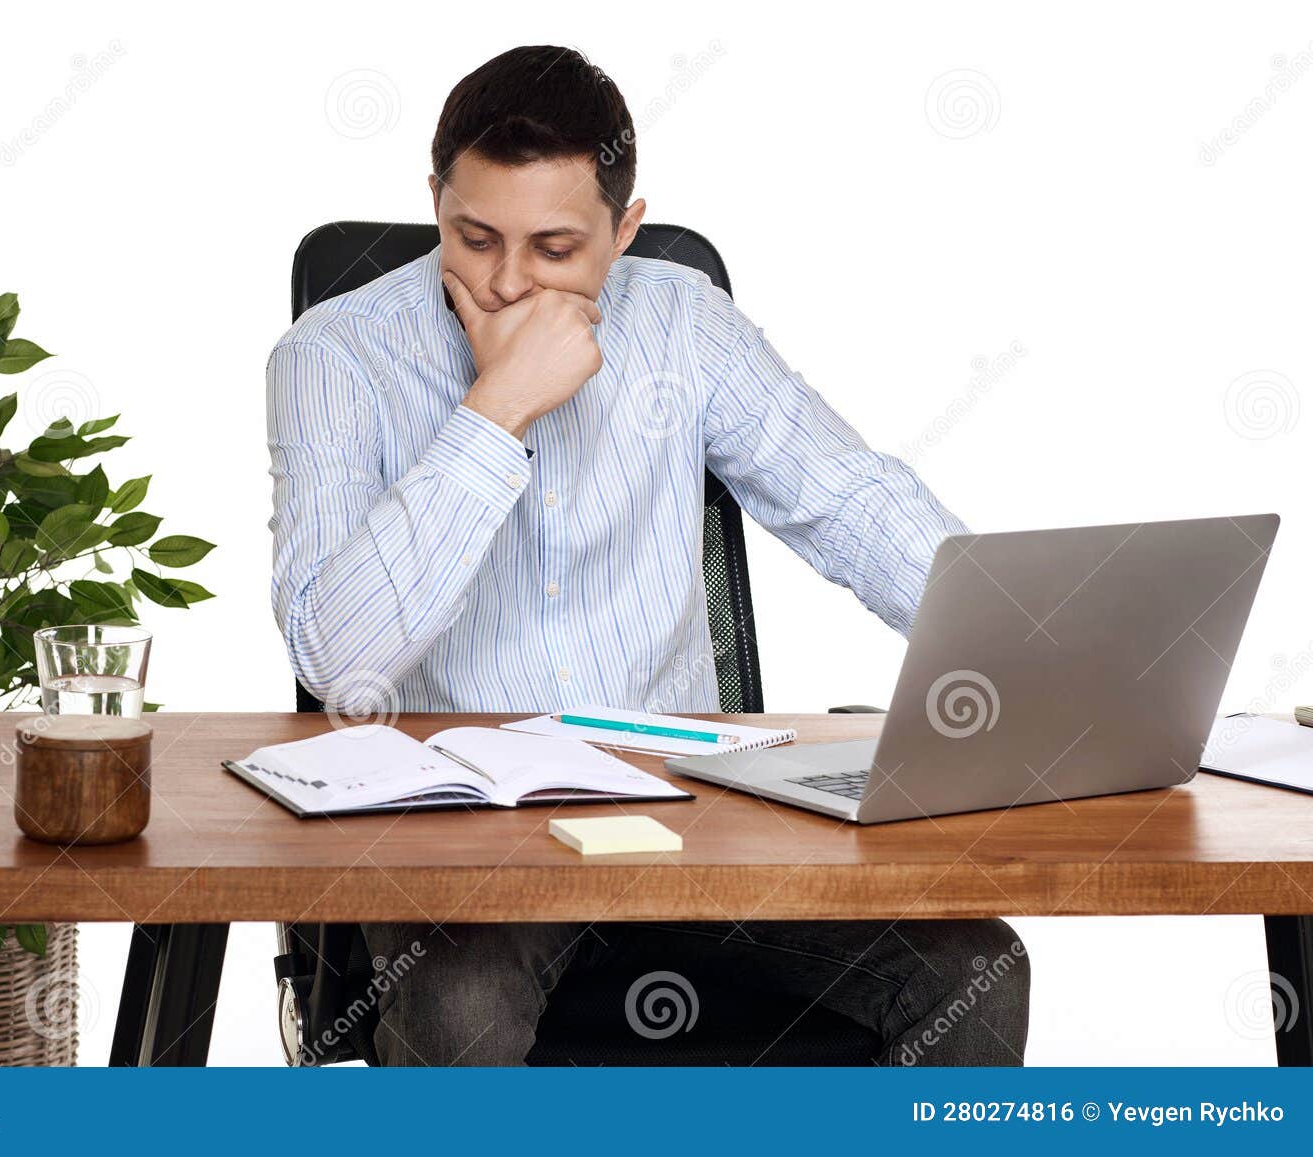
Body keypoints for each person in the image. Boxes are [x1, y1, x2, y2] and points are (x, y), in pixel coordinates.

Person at [266, 44, 1029, 1066]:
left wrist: (1020, 651)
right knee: (460, 1004)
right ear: (434, 199)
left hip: (681, 822)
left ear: (623, 230)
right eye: (473, 235)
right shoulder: (332, 356)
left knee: (973, 966)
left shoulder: (682, 323)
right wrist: (494, 414)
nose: (504, 283)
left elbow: (849, 498)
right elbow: (333, 656)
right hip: (458, 849)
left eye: (553, 247)